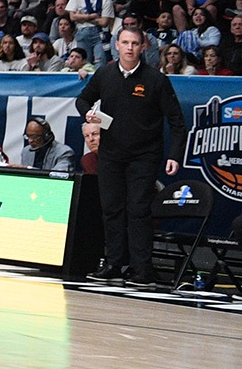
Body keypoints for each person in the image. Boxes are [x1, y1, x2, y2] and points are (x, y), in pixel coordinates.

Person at [74, 25, 186, 287]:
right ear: (117, 45)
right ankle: (113, 264)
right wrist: (88, 113)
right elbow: (82, 100)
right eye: (125, 43)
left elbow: (177, 121)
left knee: (138, 211)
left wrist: (175, 155)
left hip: (144, 156)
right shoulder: (104, 74)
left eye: (135, 43)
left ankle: (141, 270)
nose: (129, 48)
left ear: (142, 47)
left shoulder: (156, 79)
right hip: (111, 154)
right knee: (111, 209)